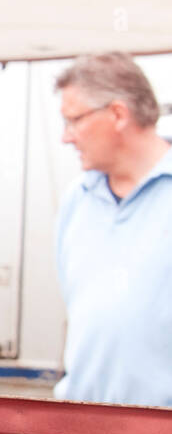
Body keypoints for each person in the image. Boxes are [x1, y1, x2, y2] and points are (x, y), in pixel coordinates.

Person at [53, 52, 172, 407]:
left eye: (74, 121)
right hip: (82, 427)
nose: (66, 137)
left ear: (118, 114)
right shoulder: (77, 200)